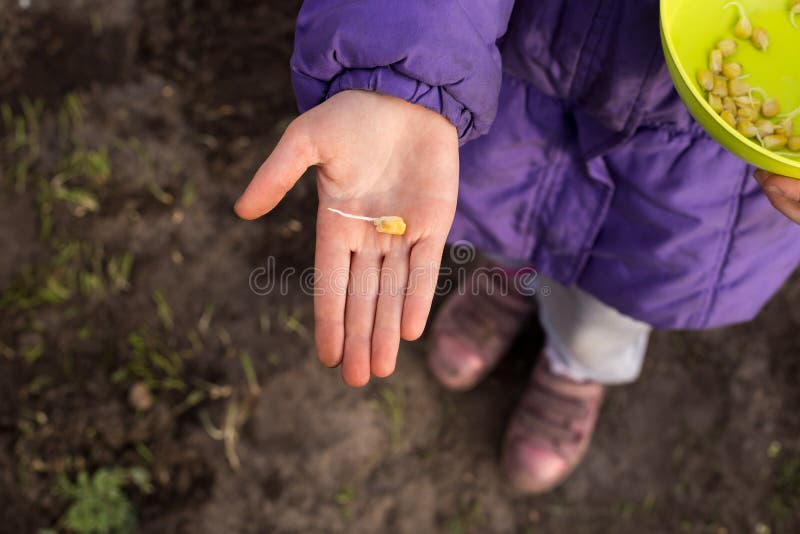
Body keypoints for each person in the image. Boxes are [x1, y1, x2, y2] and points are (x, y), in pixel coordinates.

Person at [234, 0, 800, 493]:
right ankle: (510, 283)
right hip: (520, 75)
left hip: (706, 166)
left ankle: (578, 365)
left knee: (617, 299)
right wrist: (400, 70)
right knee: (501, 214)